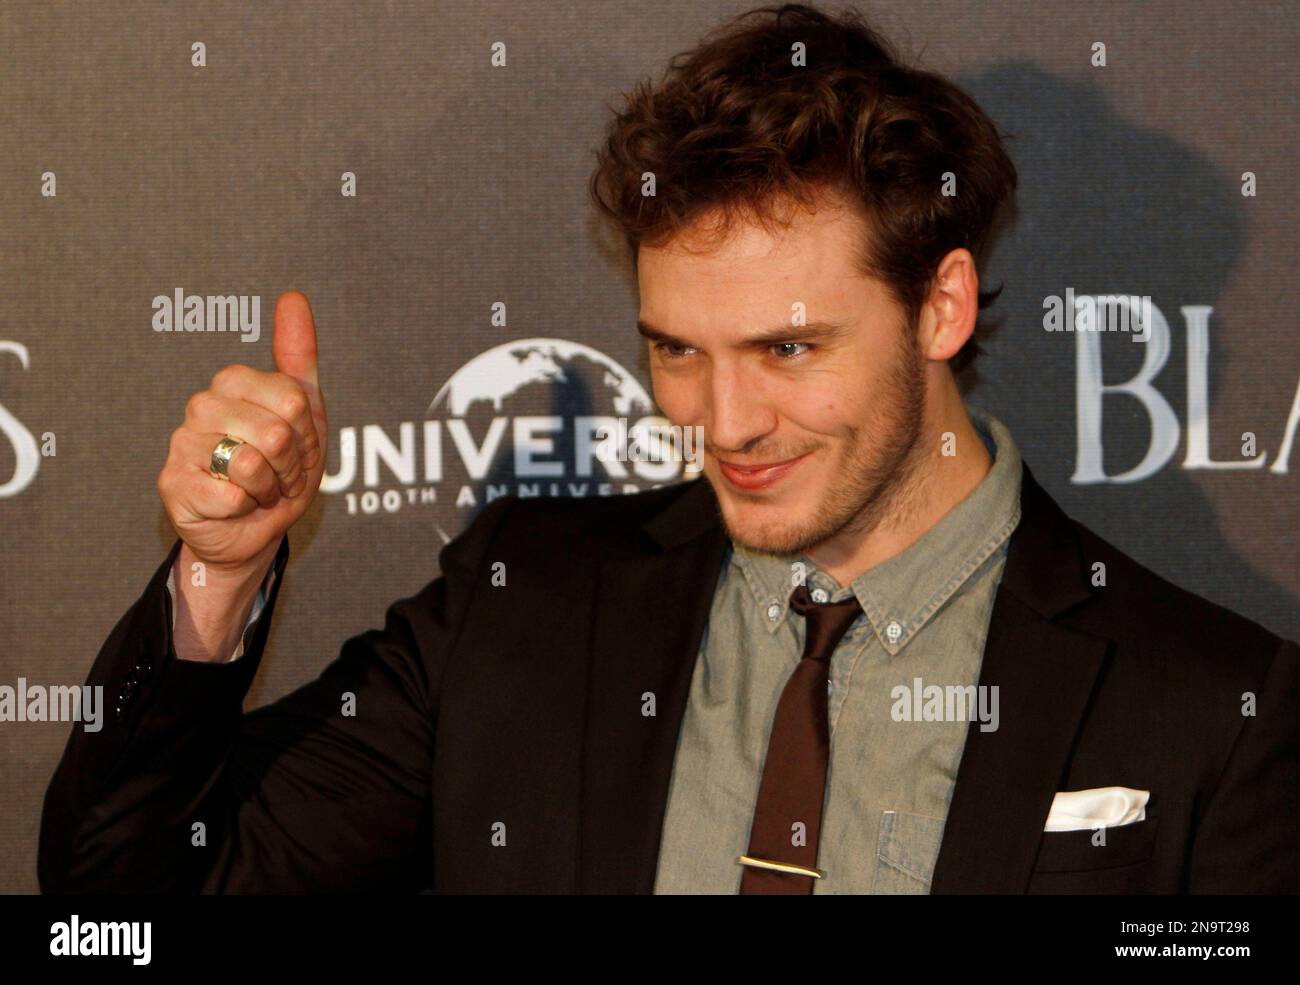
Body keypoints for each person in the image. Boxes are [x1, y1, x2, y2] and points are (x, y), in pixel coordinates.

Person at [40, 3, 1298, 894]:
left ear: (941, 307)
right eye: (677, 349)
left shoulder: (1209, 708)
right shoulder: (522, 607)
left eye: (787, 349)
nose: (723, 419)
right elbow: (123, 900)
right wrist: (218, 576)